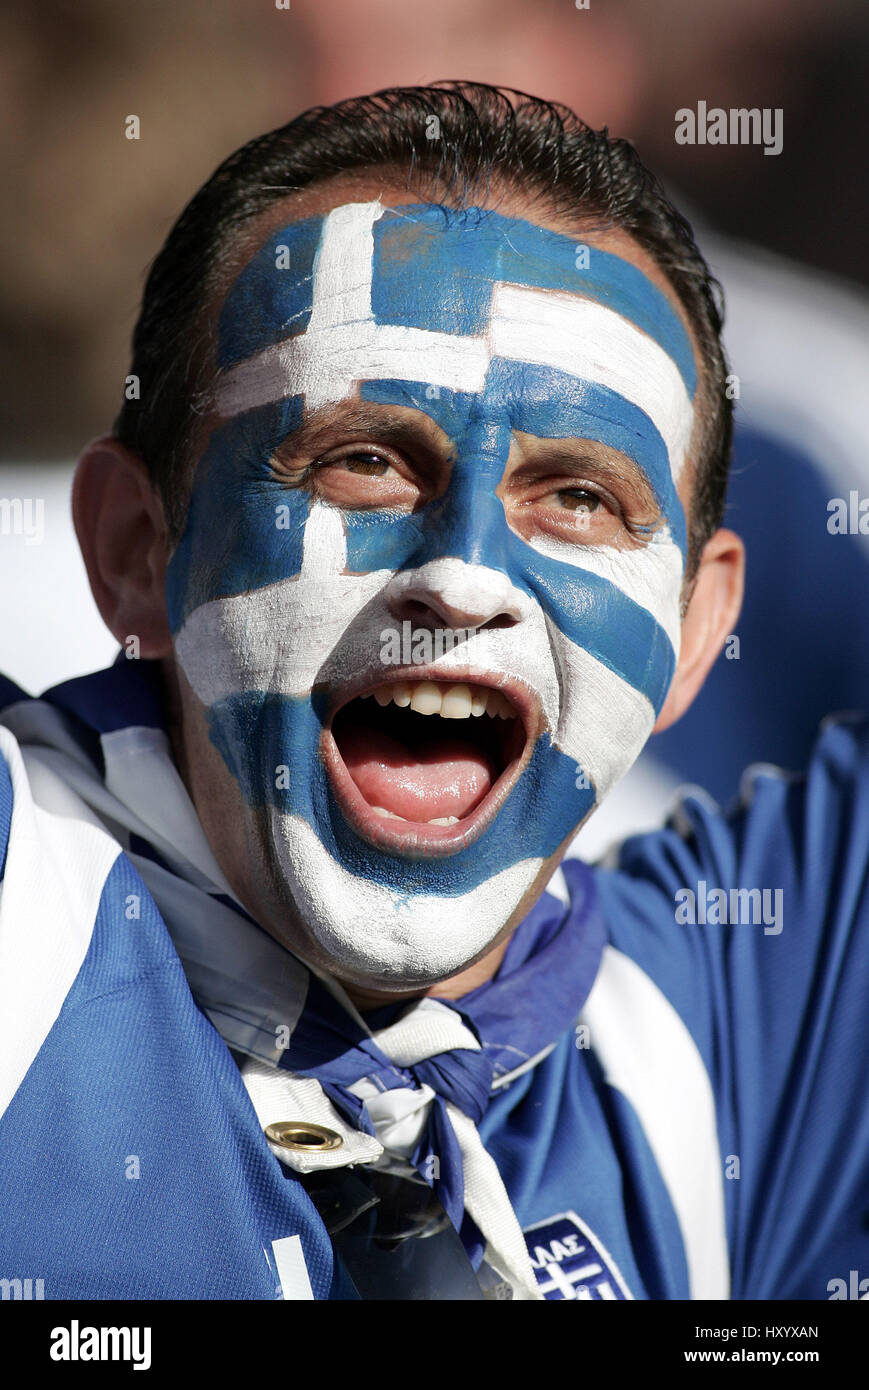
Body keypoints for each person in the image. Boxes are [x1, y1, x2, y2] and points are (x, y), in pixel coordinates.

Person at [0, 82, 866, 1302]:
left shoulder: (746, 1030)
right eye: (363, 462)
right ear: (140, 547)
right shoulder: (23, 917)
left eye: (574, 496)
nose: (461, 578)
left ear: (689, 630)